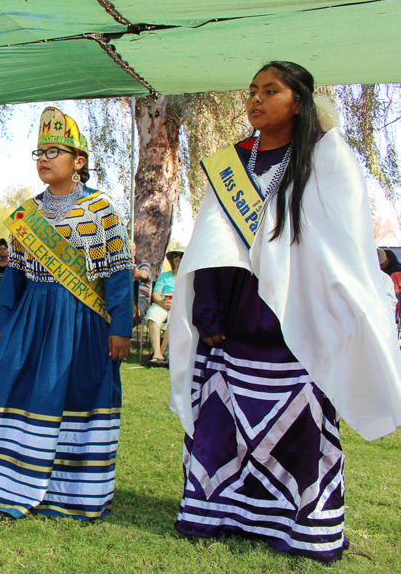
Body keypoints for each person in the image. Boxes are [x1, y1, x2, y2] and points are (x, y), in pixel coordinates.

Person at [169, 61, 401, 562]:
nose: (255, 99)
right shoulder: (232, 163)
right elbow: (209, 244)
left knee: (300, 428)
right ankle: (218, 514)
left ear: (298, 101)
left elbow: (346, 244)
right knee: (222, 423)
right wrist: (207, 313)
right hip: (234, 318)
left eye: (269, 91)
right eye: (251, 91)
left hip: (301, 317)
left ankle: (300, 527)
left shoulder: (328, 157)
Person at [0, 106, 133, 519]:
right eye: (38, 151)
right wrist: (5, 322)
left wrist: (121, 327)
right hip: (31, 316)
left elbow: (119, 272)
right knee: (17, 388)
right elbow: (16, 274)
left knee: (77, 393)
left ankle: (70, 494)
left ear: (79, 162)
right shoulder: (27, 212)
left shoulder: (102, 209)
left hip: (82, 319)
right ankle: (6, 482)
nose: (43, 158)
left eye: (53, 151)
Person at [144, 240, 184, 366]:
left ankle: (162, 353)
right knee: (153, 315)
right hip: (163, 304)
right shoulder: (165, 276)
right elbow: (156, 293)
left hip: (179, 306)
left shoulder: (189, 276)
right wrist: (161, 302)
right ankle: (157, 353)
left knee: (174, 319)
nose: (177, 257)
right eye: (175, 255)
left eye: (180, 255)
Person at [129, 240, 151, 326]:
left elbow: (143, 274)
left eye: (129, 251)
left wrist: (123, 274)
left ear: (134, 251)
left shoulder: (142, 263)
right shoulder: (119, 264)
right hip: (124, 297)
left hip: (140, 298)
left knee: (132, 313)